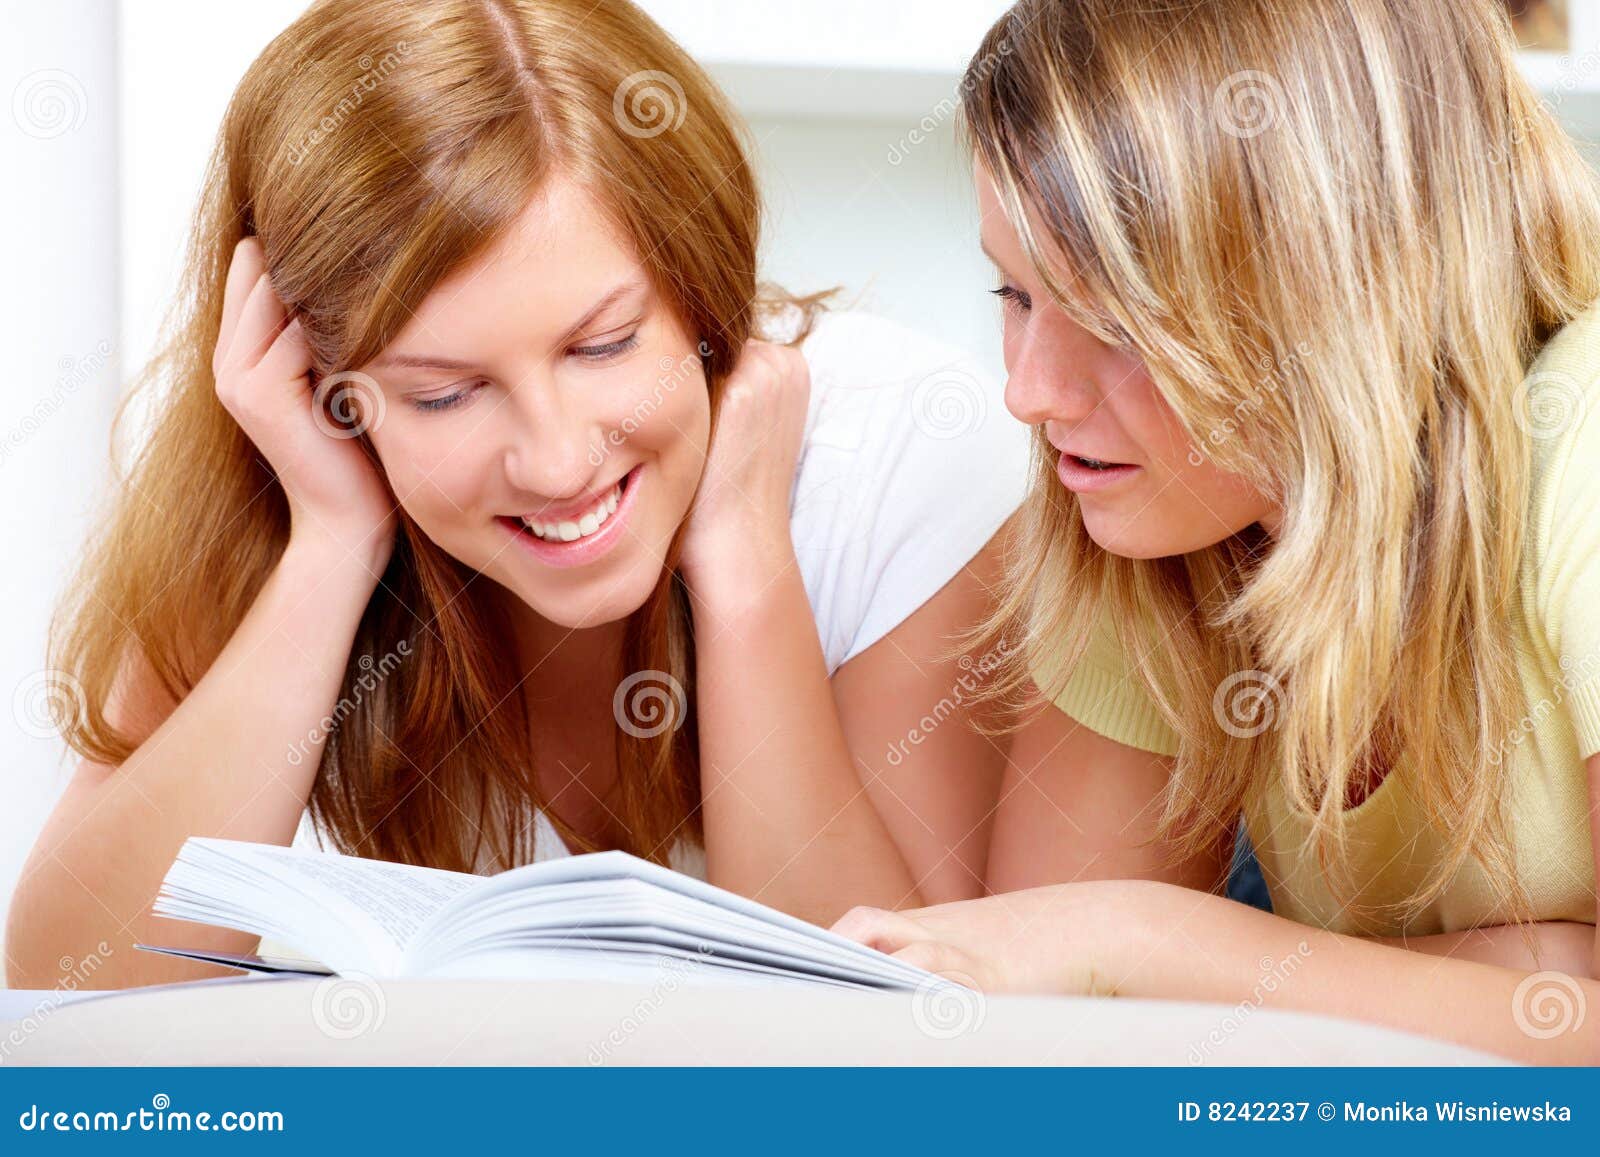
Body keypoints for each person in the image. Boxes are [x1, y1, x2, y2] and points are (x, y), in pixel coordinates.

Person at [6, 0, 1027, 989]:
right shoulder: (274, 500)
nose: (554, 461)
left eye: (604, 344)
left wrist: (746, 571)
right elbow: (66, 982)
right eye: (443, 392)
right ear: (322, 391)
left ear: (705, 293)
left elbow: (899, 1029)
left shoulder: (895, 449)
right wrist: (331, 542)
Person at [833, 0, 1600, 1064]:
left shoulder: (1583, 438)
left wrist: (1154, 936)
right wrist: (1528, 966)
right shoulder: (1160, 512)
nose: (1028, 390)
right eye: (1012, 293)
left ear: (1339, 284)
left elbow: (1096, 943)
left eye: (1113, 322)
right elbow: (1038, 1024)